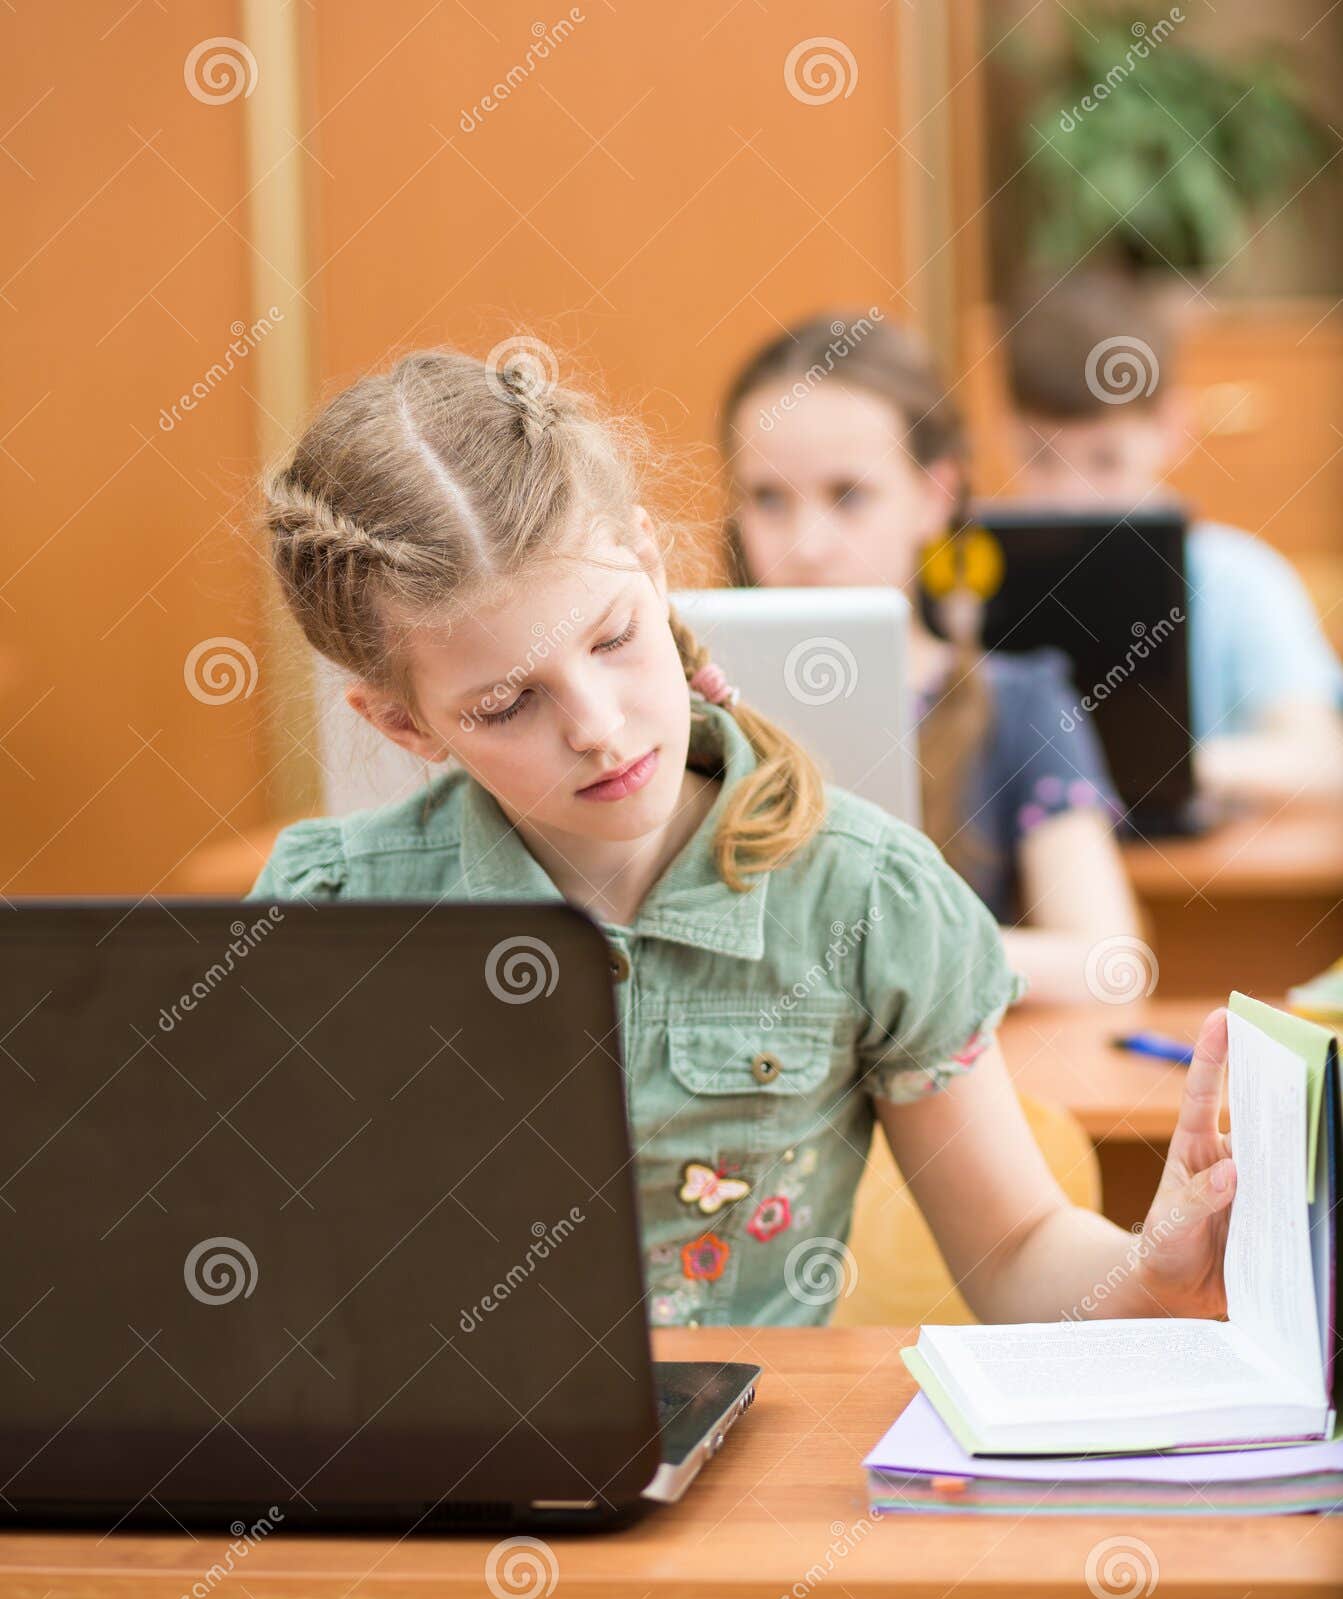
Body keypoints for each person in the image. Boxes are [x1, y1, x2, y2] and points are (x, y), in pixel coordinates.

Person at [244, 342, 1235, 1329]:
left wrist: (1149, 1272)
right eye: (507, 703)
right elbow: (260, 1269)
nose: (597, 726)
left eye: (612, 639)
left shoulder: (865, 894)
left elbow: (1017, 1252)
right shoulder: (329, 912)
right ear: (404, 725)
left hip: (752, 1479)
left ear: (647, 562)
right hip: (436, 1475)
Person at [720, 311, 1140, 1003]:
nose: (806, 545)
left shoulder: (1018, 700)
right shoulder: (683, 707)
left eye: (848, 495)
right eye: (767, 499)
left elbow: (1110, 964)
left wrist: (893, 951)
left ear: (934, 496)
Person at [1004, 269, 1343, 803]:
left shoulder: (1241, 578)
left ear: (1171, 429)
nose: (1072, 496)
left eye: (1106, 459)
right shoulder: (982, 580)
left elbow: (1320, 754)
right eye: (1040, 458)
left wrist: (1159, 762)